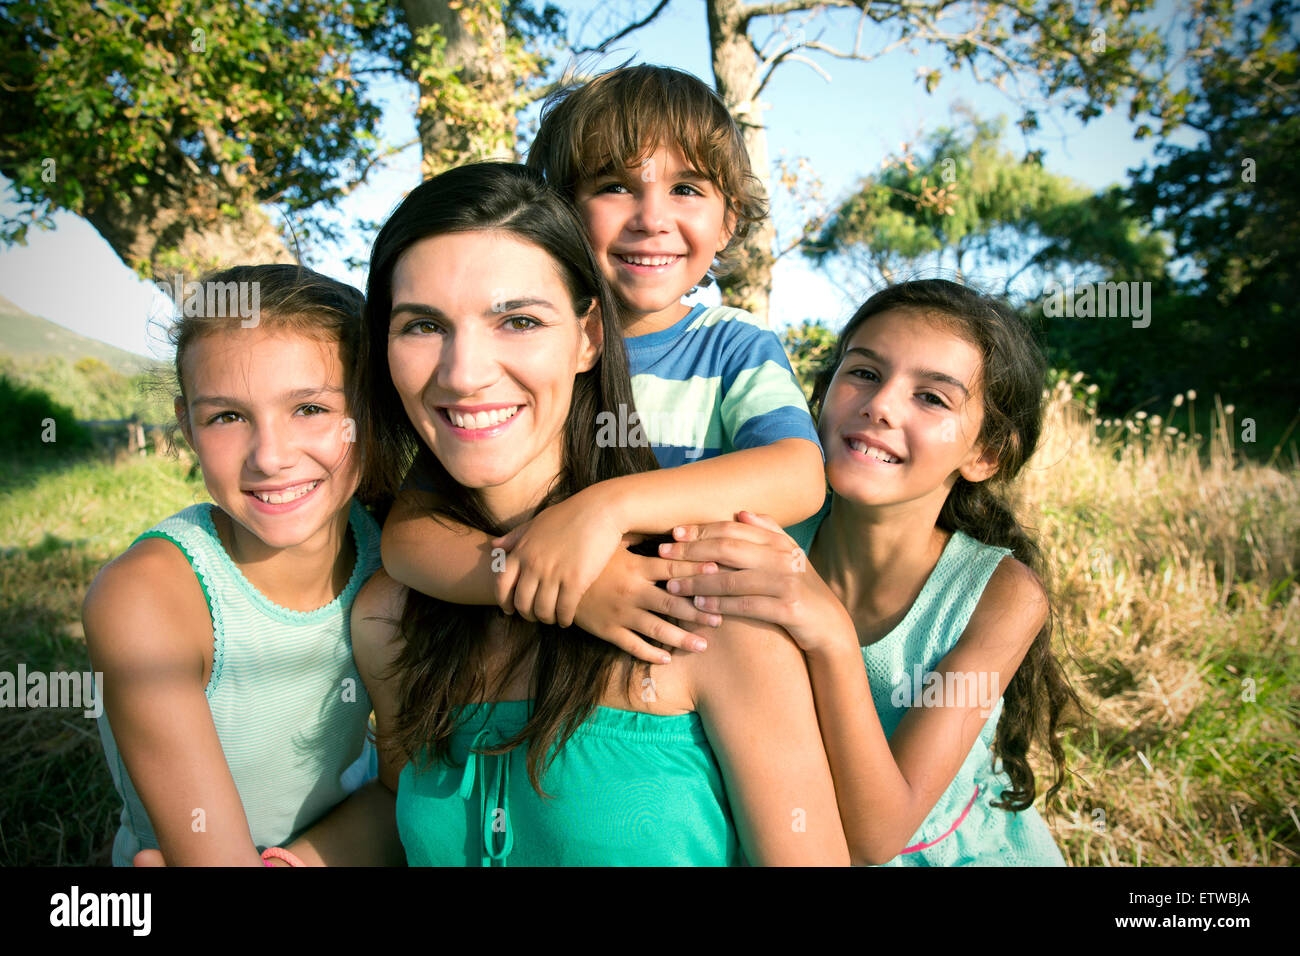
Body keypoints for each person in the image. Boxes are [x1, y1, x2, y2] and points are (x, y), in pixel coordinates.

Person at [351, 161, 848, 866]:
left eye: (518, 320)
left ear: (589, 336)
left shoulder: (710, 617)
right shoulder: (389, 620)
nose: (463, 373)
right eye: (423, 325)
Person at [381, 64, 826, 664]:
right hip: (561, 655)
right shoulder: (527, 363)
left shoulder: (732, 346)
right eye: (615, 186)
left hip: (715, 651)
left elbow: (798, 475)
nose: (650, 217)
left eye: (687, 189)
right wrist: (554, 582)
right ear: (562, 210)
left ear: (728, 224)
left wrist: (605, 511)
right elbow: (410, 538)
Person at [663, 280, 1080, 865]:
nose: (880, 404)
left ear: (987, 453)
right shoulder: (762, 530)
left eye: (932, 398)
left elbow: (879, 837)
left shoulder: (1000, 596)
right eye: (862, 372)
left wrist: (828, 630)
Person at [85, 265, 401, 866]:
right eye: (227, 417)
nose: (271, 457)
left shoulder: (393, 558)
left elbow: (400, 791)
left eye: (309, 407)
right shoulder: (146, 597)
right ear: (188, 428)